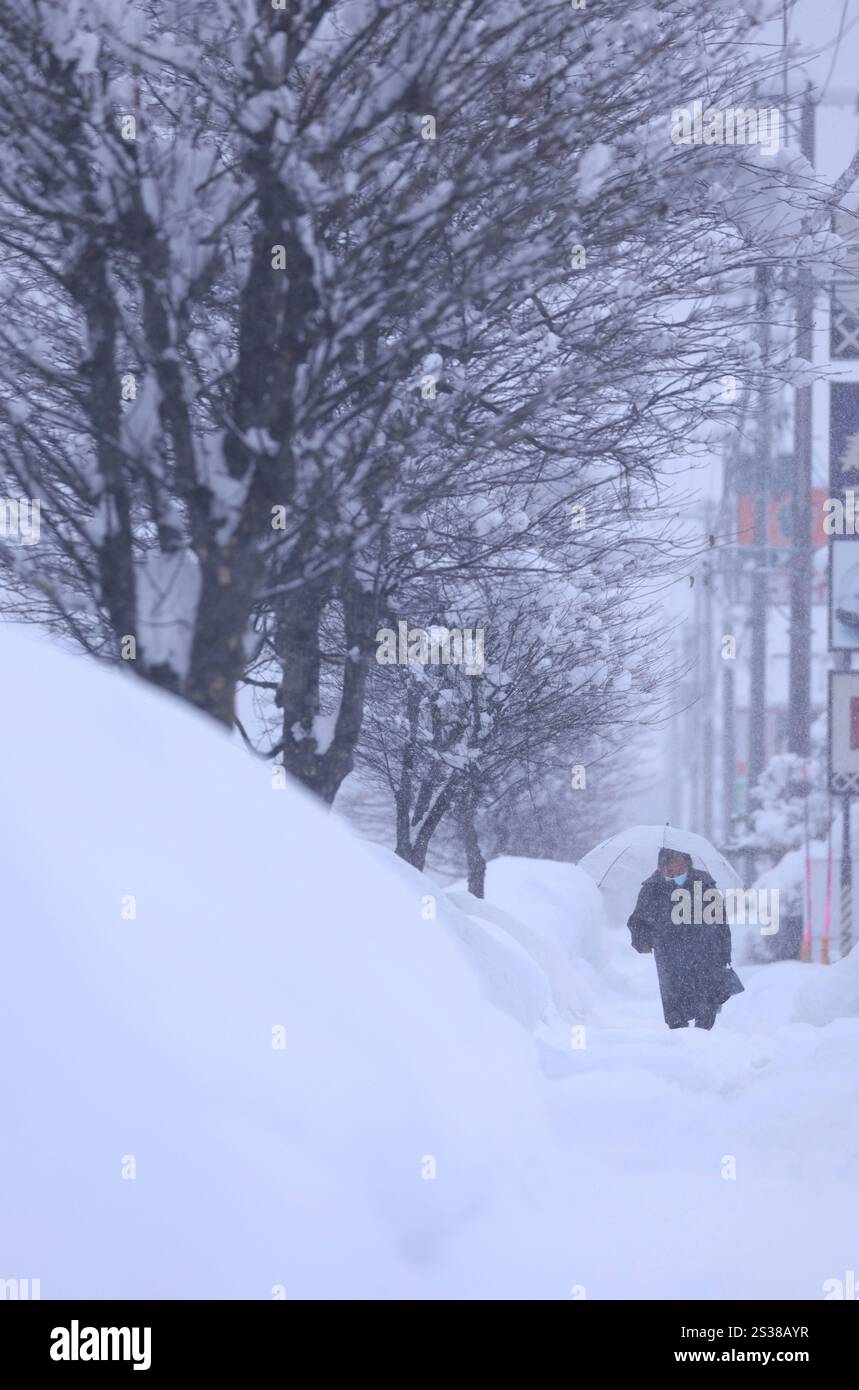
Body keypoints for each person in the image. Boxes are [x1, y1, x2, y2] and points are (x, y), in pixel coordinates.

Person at [627, 846, 732, 1030]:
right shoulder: (652, 887)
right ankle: (679, 1042)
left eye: (678, 862)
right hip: (669, 955)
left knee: (705, 1003)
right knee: (674, 1005)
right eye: (667, 863)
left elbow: (721, 922)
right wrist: (642, 941)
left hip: (704, 953)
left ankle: (703, 1039)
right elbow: (638, 920)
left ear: (687, 863)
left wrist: (724, 953)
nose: (672, 868)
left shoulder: (704, 883)